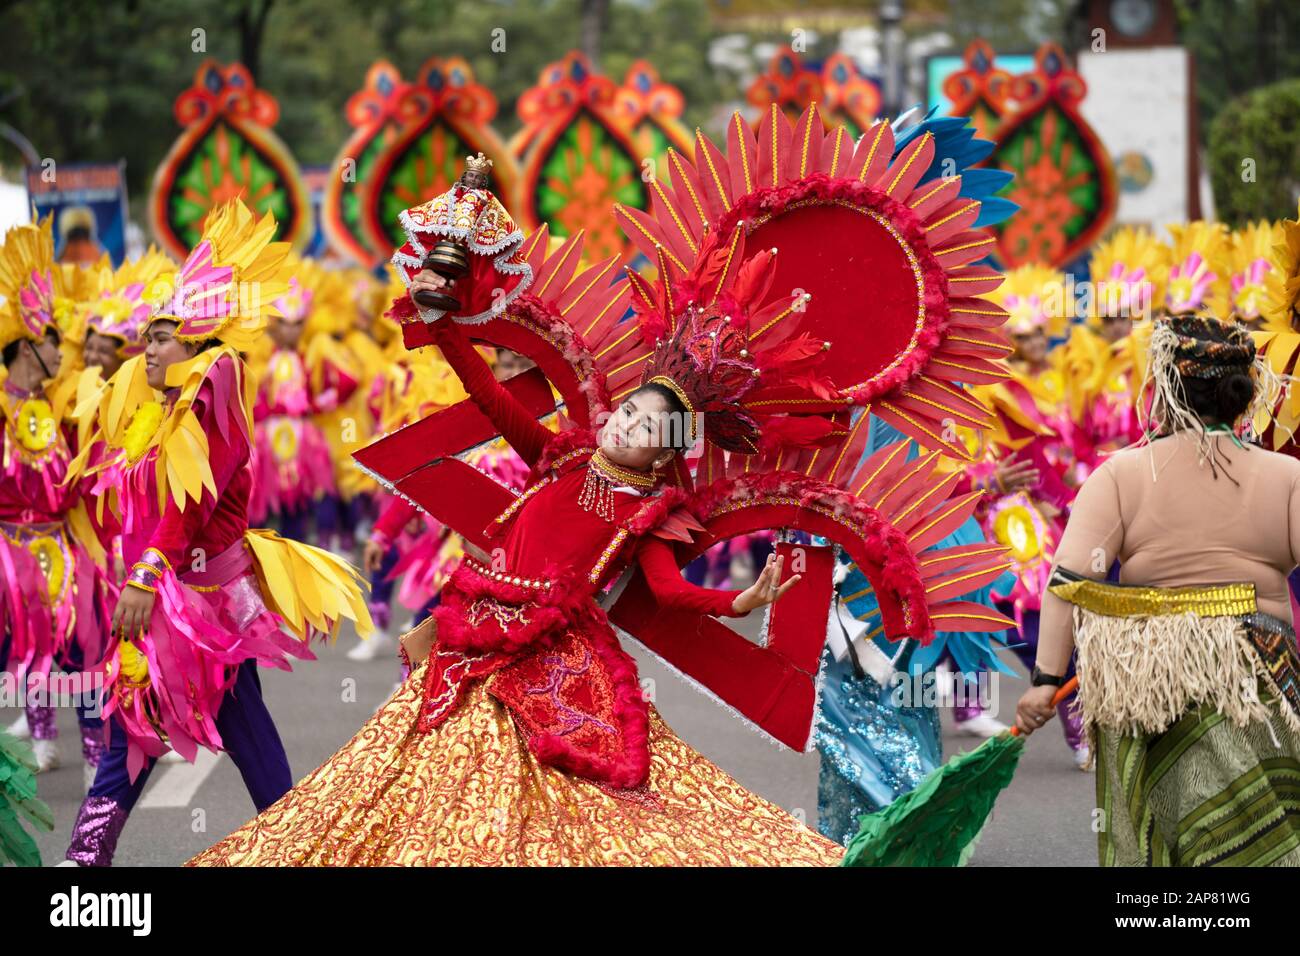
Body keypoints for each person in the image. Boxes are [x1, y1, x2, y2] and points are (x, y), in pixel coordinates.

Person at [62, 201, 372, 865]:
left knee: (244, 732)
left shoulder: (219, 394)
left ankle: (294, 850)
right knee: (133, 731)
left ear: (197, 348)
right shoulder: (159, 416)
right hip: (158, 604)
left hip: (205, 606)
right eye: (146, 336)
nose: (147, 348)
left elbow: (188, 506)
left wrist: (146, 575)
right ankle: (86, 862)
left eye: (162, 338)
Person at [1015, 315, 1300, 866]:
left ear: (1166, 389)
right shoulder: (1286, 477)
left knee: (1168, 840)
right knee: (1261, 837)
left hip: (1150, 678)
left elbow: (1068, 582)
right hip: (1260, 670)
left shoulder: (1122, 473)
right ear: (1245, 395)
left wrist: (1045, 682)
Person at [0, 218, 112, 779]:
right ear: (27, 349)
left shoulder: (66, 403)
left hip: (63, 543)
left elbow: (85, 473)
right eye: (49, 343)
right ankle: (42, 734)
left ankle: (97, 750)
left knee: (81, 646)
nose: (60, 351)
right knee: (27, 645)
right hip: (9, 548)